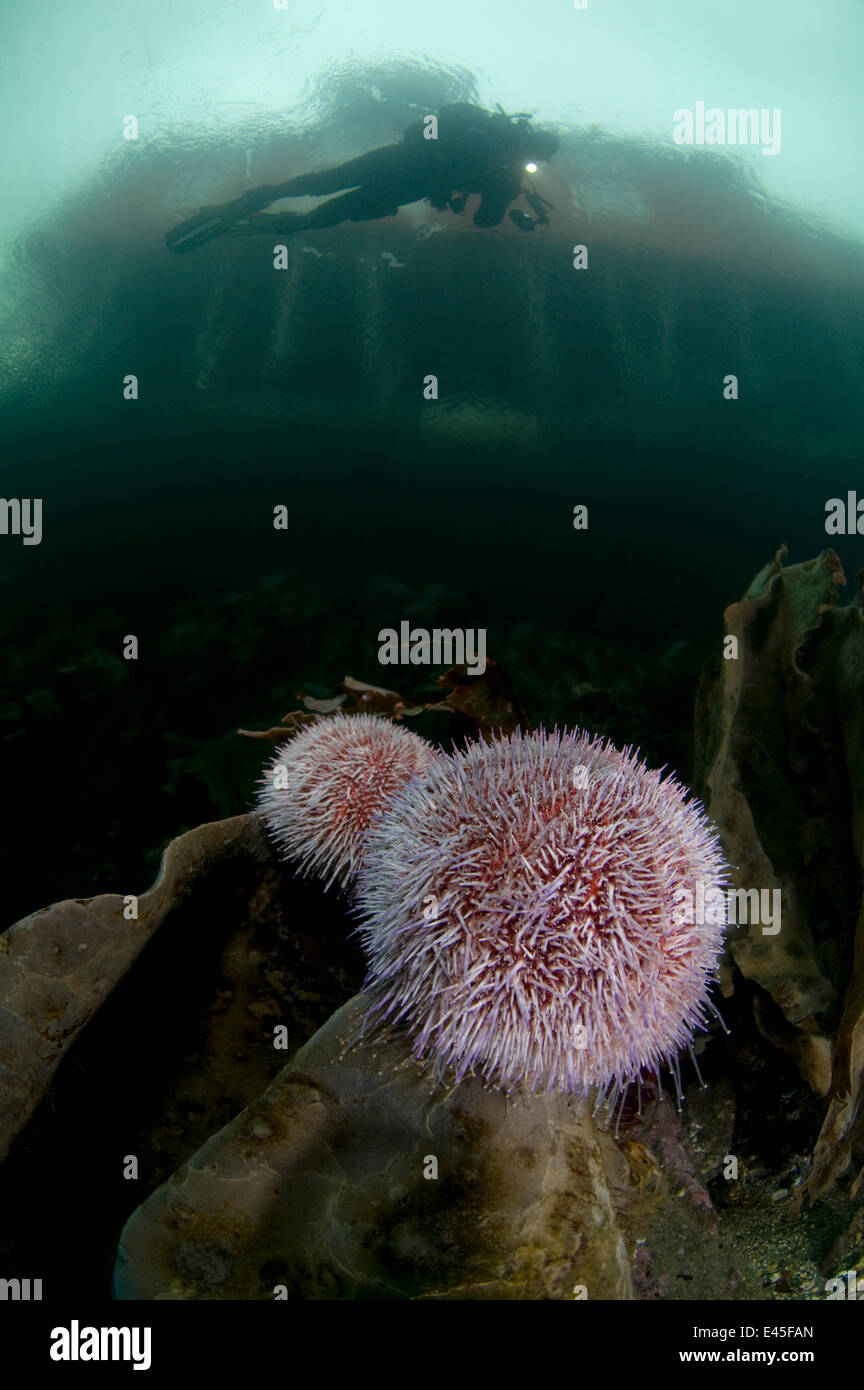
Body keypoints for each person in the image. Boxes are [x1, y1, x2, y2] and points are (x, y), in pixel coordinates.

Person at [166, 103, 558, 253]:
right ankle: (286, 224)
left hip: (393, 161)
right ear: (535, 153)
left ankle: (258, 199)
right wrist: (511, 203)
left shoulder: (479, 129)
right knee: (335, 212)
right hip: (405, 187)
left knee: (322, 181)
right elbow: (484, 220)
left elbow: (419, 130)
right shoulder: (504, 173)